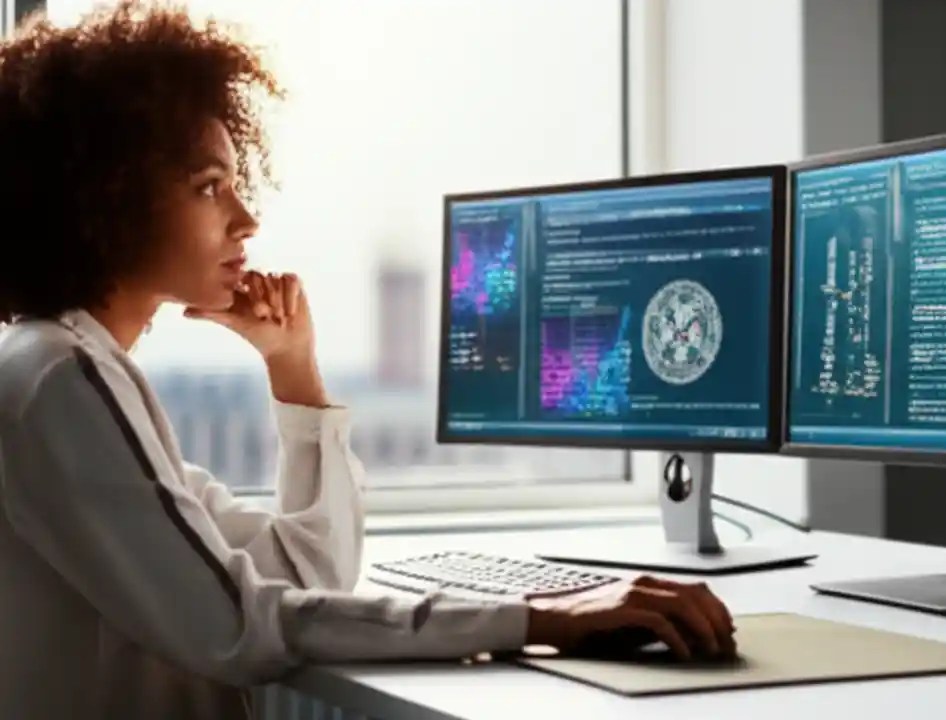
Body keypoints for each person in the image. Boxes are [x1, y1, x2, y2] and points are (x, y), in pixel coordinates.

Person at [0, 3, 736, 718]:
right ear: (108, 197)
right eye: (208, 187)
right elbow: (242, 626)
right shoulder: (62, 379)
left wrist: (294, 369)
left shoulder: (71, 373)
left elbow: (308, 571)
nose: (245, 218)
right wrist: (536, 618)